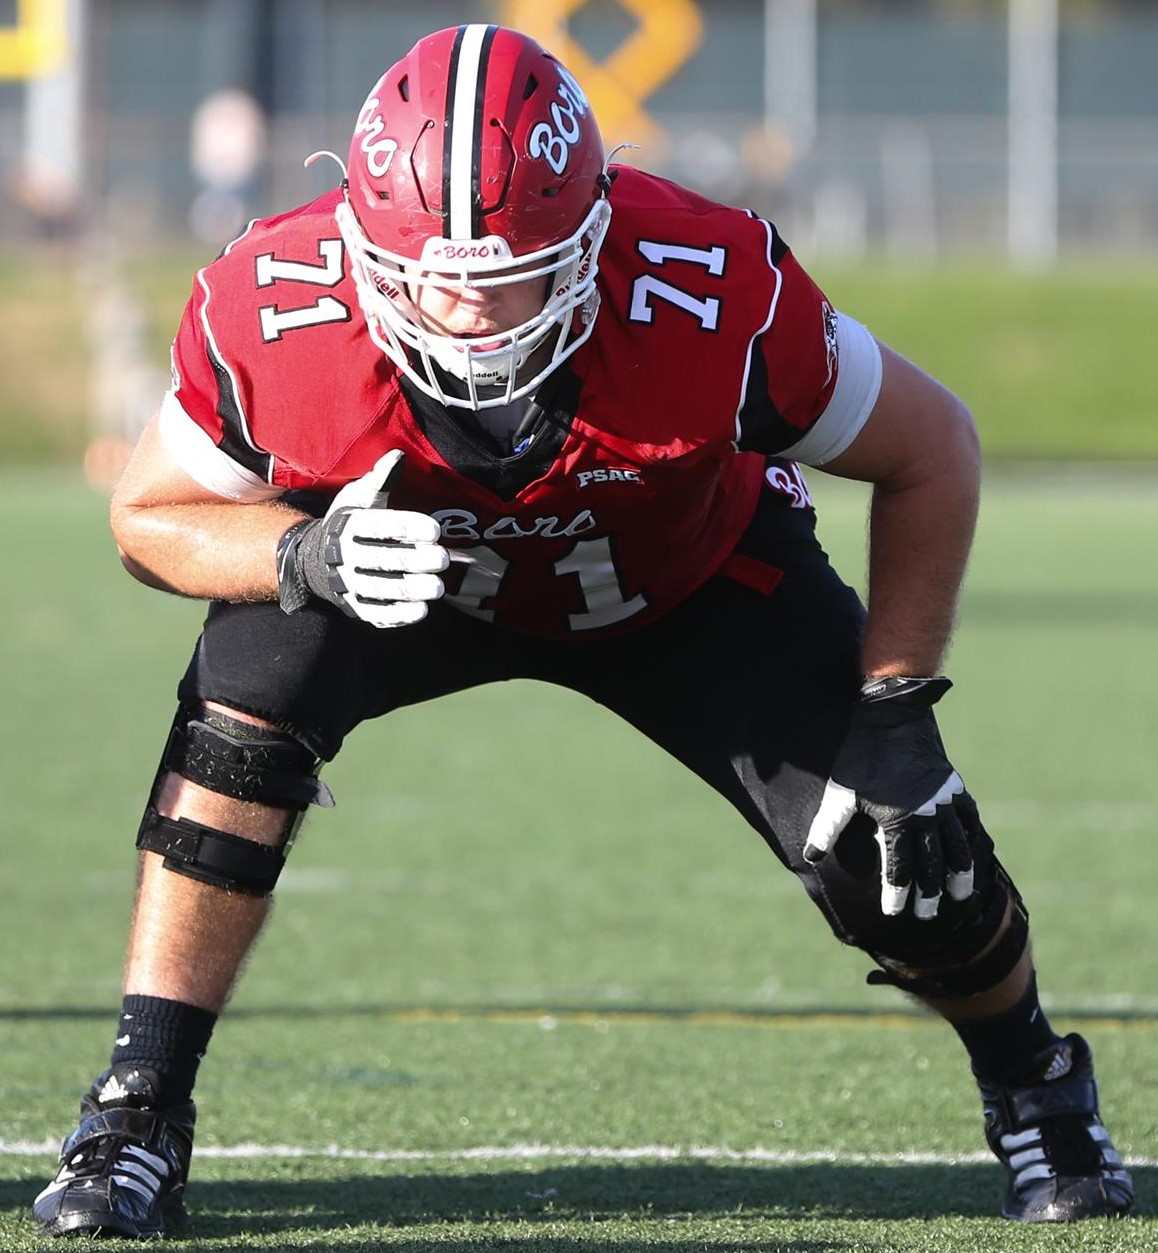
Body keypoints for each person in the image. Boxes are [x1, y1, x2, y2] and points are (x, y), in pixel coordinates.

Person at [33, 23, 1132, 1239]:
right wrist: (300, 552)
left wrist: (894, 701)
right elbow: (147, 517)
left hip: (683, 578)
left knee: (898, 838)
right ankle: (137, 1110)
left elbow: (934, 449)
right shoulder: (274, 306)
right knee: (247, 686)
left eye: (509, 268)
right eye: (429, 272)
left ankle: (1037, 1082)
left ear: (595, 232)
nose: (465, 308)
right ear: (356, 240)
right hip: (408, 575)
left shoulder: (708, 285)